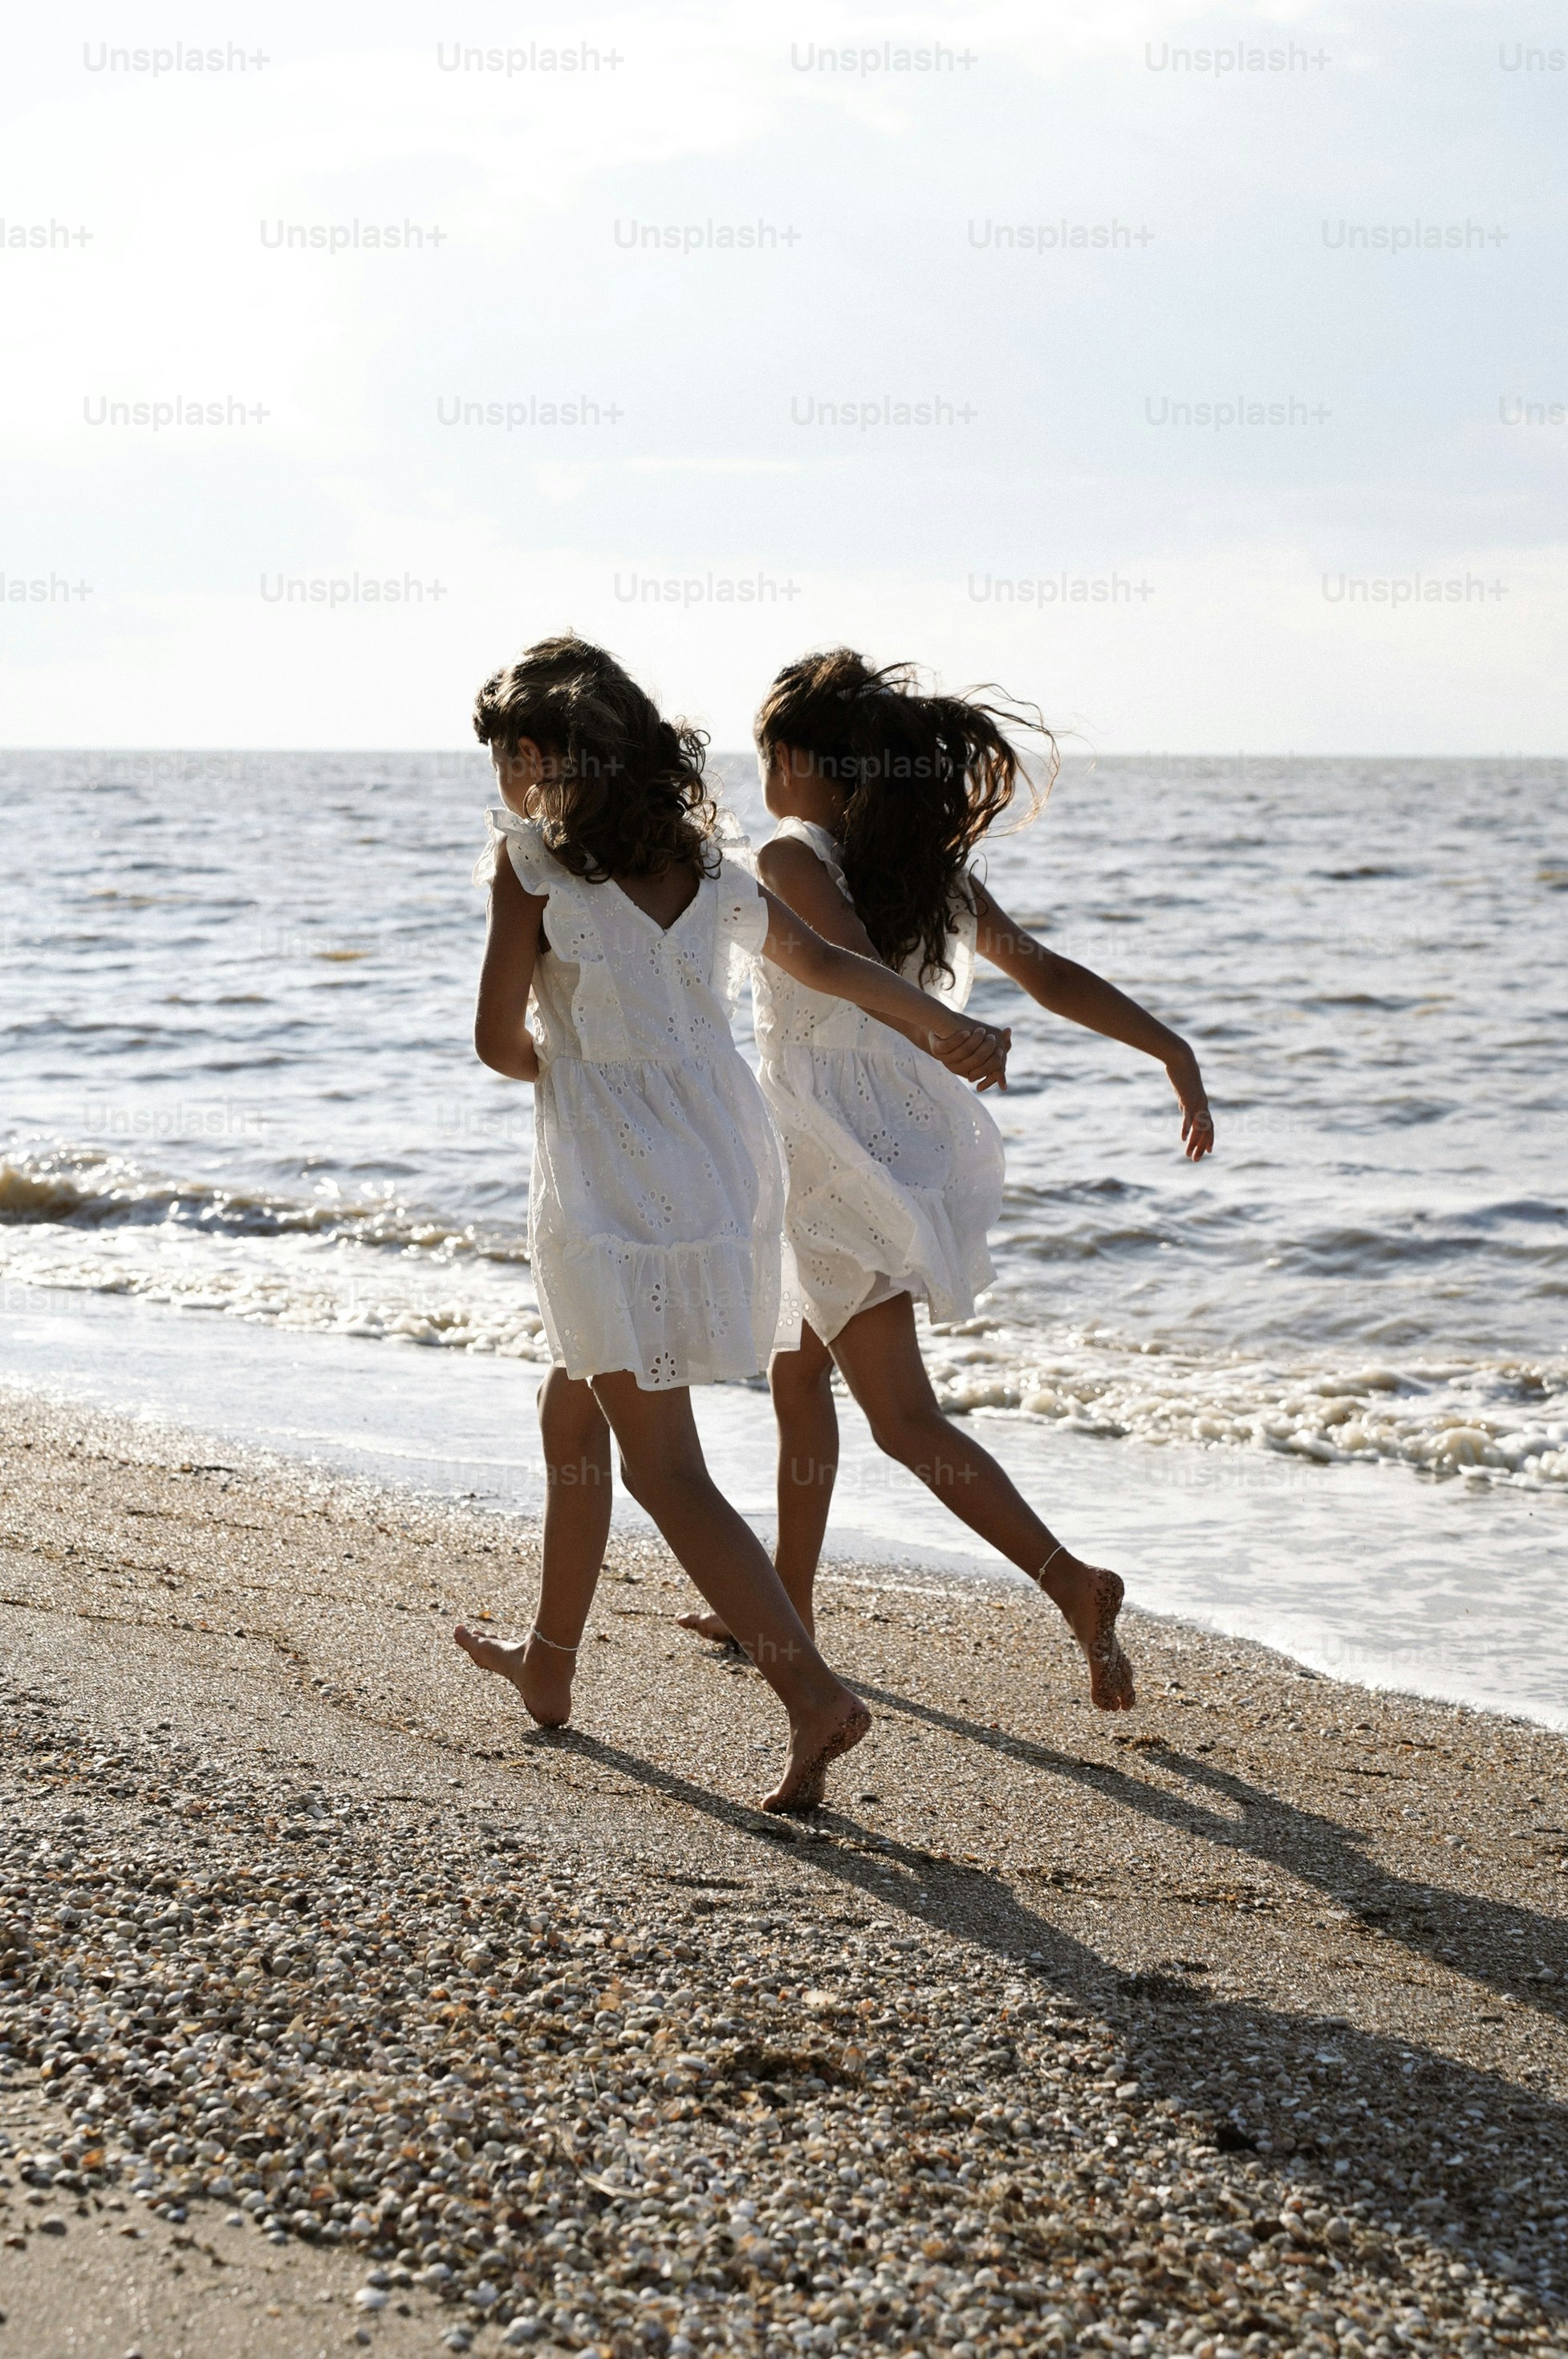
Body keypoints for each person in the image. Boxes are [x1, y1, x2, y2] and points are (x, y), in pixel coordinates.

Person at [451, 635, 1009, 1811]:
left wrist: (567, 1056)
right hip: (722, 1166)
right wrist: (937, 1026)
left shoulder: (529, 866)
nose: (499, 778)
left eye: (506, 755)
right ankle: (547, 1668)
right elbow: (818, 961)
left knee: (667, 1467)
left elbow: (499, 1044)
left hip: (609, 1174)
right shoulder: (705, 866)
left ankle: (811, 1693)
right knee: (576, 1394)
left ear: (542, 757)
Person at [677, 648, 1215, 1713]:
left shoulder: (789, 858)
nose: (762, 776)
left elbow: (838, 962)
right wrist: (1170, 1051)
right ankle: (784, 1604)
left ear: (792, 758)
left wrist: (945, 1022)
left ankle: (1072, 1583)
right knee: (797, 1375)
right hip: (885, 1145)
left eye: (764, 755)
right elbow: (1046, 972)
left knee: (901, 1417)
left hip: (830, 1153)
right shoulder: (928, 872)